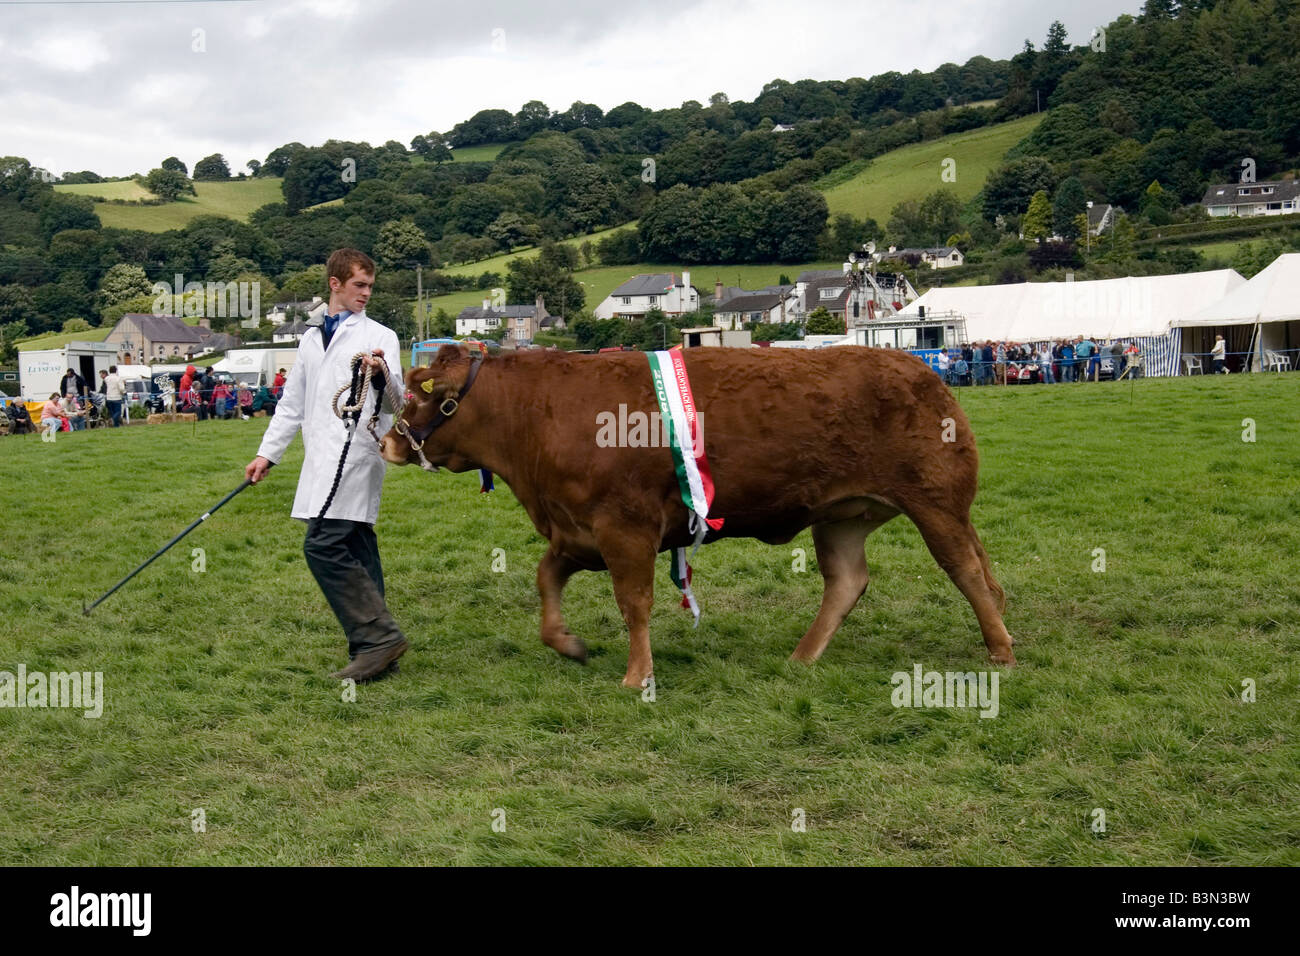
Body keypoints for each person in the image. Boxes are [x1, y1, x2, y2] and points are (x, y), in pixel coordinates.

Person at [243, 248, 407, 683]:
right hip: (320, 457)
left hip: (356, 454)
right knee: (354, 546)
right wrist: (267, 453)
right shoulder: (311, 336)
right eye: (359, 285)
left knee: (322, 545)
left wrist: (380, 373)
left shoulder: (381, 336)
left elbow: (398, 403)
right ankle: (375, 651)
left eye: (370, 286)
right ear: (334, 284)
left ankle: (379, 639)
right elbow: (292, 403)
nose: (366, 293)